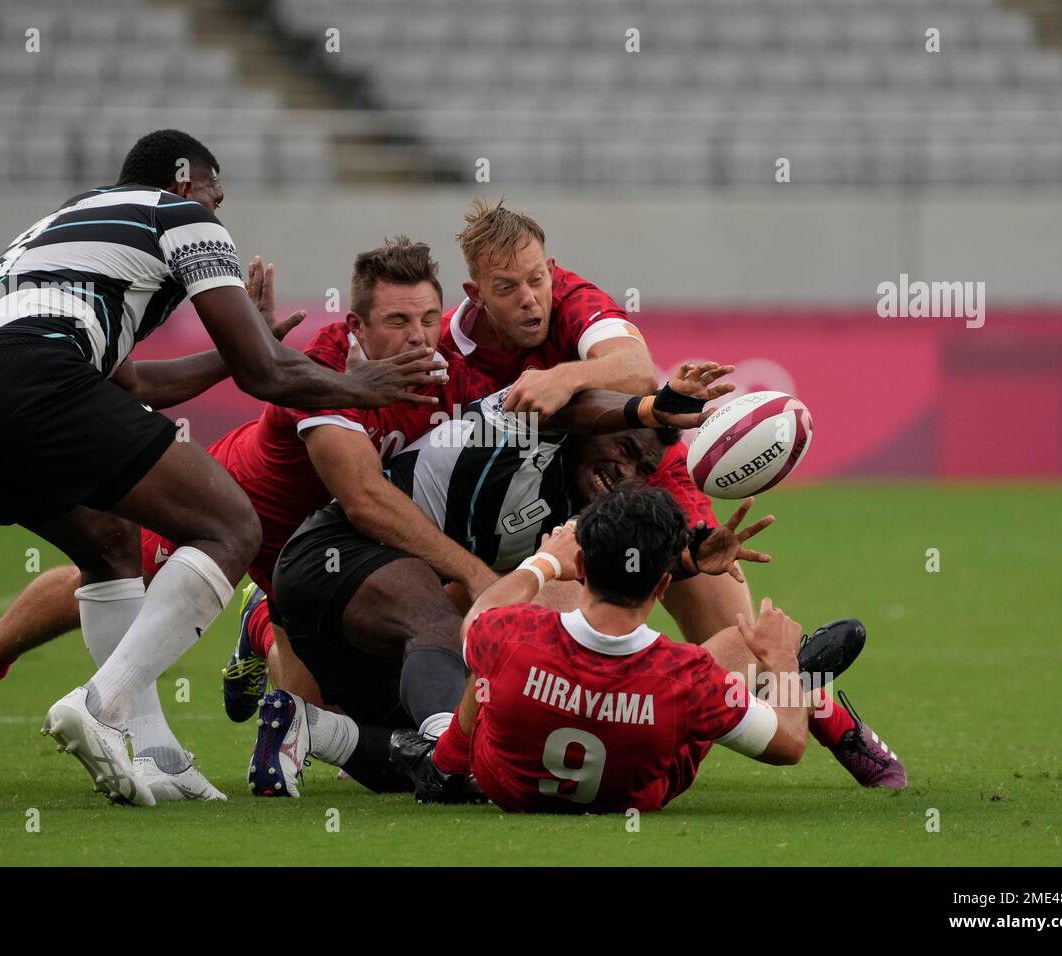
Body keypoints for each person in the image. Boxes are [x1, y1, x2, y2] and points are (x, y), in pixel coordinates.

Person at [0, 130, 444, 806]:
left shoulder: (83, 218)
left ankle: (159, 756)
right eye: (216, 197)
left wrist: (244, 348)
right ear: (186, 180)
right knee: (229, 526)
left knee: (111, 546)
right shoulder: (181, 216)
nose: (219, 213)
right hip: (33, 377)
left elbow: (133, 384)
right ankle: (99, 705)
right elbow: (266, 374)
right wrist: (362, 386)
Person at [252, 367, 752, 796]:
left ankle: (307, 726)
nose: (625, 470)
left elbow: (621, 579)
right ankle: (445, 755)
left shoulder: (587, 504)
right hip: (332, 554)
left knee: (405, 758)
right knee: (442, 641)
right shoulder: (525, 423)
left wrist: (687, 559)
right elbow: (568, 404)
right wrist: (648, 407)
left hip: (367, 619)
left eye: (642, 468)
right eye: (623, 446)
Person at [396, 488, 907, 813]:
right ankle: (810, 695)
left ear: (583, 563)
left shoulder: (510, 634)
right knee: (744, 643)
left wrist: (544, 563)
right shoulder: (690, 674)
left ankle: (445, 765)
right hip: (635, 795)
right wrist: (783, 666)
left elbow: (483, 613)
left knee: (496, 652)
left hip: (507, 785)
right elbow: (789, 747)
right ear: (664, 586)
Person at [439, 198, 753, 644]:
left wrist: (565, 377)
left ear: (551, 269)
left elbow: (636, 369)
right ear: (476, 293)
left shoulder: (574, 299)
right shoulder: (443, 353)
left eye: (536, 279)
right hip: (531, 510)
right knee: (535, 632)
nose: (530, 299)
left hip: (639, 466)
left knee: (741, 638)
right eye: (507, 288)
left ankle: (809, 706)